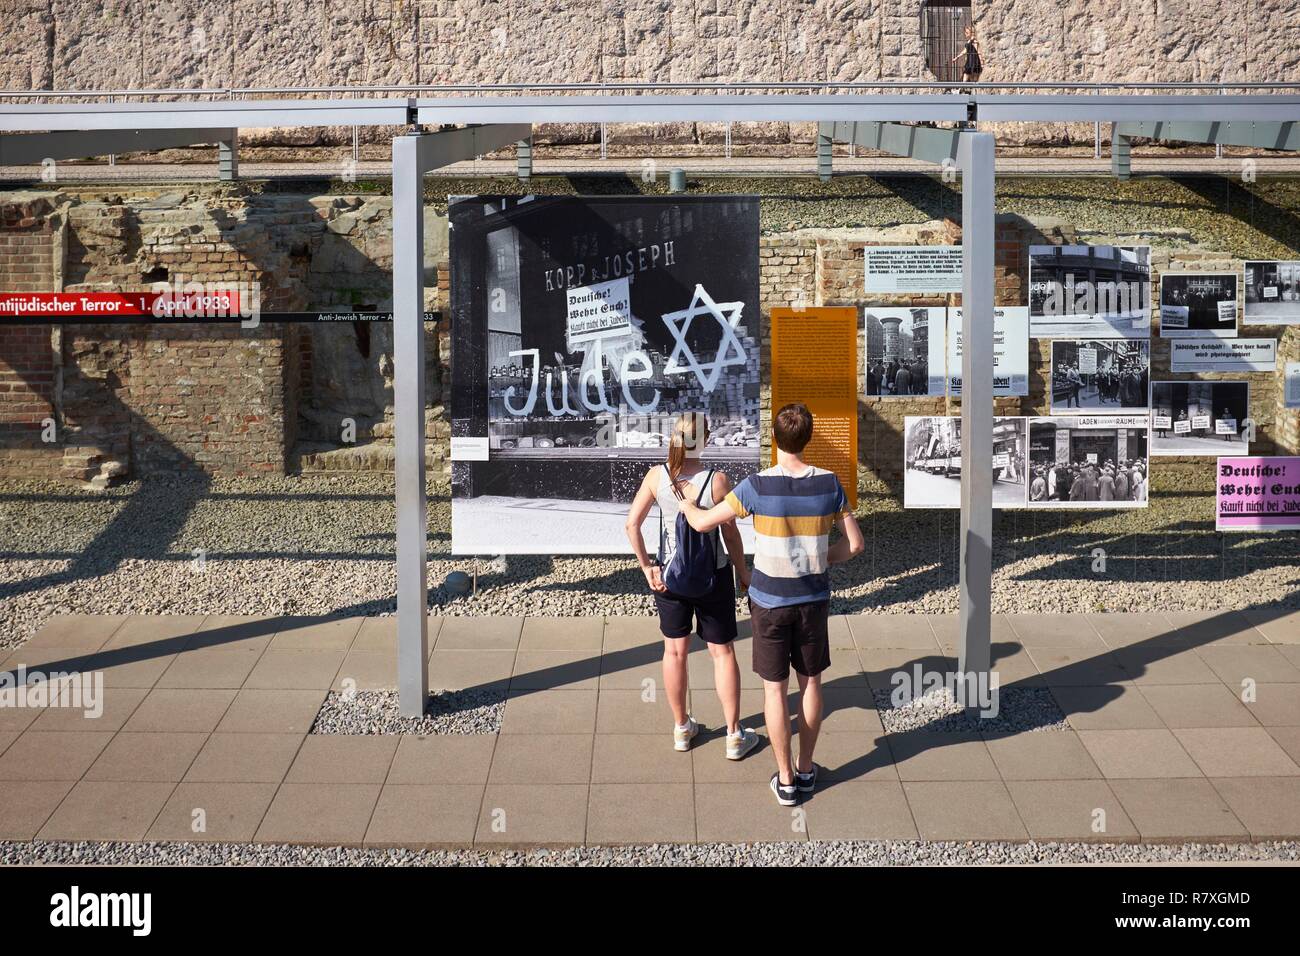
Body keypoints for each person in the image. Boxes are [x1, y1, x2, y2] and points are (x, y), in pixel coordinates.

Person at [679, 403, 864, 806]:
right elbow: (855, 545)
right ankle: (807, 769)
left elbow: (701, 523)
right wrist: (820, 557)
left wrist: (686, 503)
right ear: (808, 438)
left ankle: (785, 780)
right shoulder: (830, 484)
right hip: (812, 601)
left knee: (775, 692)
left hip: (769, 603)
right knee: (812, 683)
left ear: (774, 439)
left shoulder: (756, 487)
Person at [624, 412, 759, 761]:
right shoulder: (717, 482)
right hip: (712, 577)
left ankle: (682, 729)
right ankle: (733, 736)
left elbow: (631, 526)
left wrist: (647, 569)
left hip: (670, 577)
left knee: (674, 652)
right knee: (722, 652)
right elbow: (730, 534)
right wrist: (743, 573)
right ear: (705, 440)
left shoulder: (657, 477)